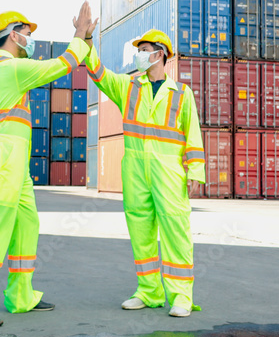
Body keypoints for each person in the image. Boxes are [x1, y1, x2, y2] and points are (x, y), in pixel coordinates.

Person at [0, 3, 97, 327]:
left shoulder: (6, 69)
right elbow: (60, 66)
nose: (30, 39)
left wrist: (86, 42)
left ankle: (21, 295)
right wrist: (79, 36)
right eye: (27, 33)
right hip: (3, 157)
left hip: (15, 161)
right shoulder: (6, 68)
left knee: (27, 224)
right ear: (12, 35)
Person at [85, 30, 205, 317]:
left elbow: (193, 135)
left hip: (169, 174)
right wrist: (88, 42)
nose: (139, 55)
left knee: (176, 231)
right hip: (136, 171)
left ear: (160, 53)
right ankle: (148, 291)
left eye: (145, 49)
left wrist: (195, 173)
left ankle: (181, 296)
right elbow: (98, 72)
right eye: (139, 50)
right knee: (141, 232)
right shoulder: (128, 87)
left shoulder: (182, 93)